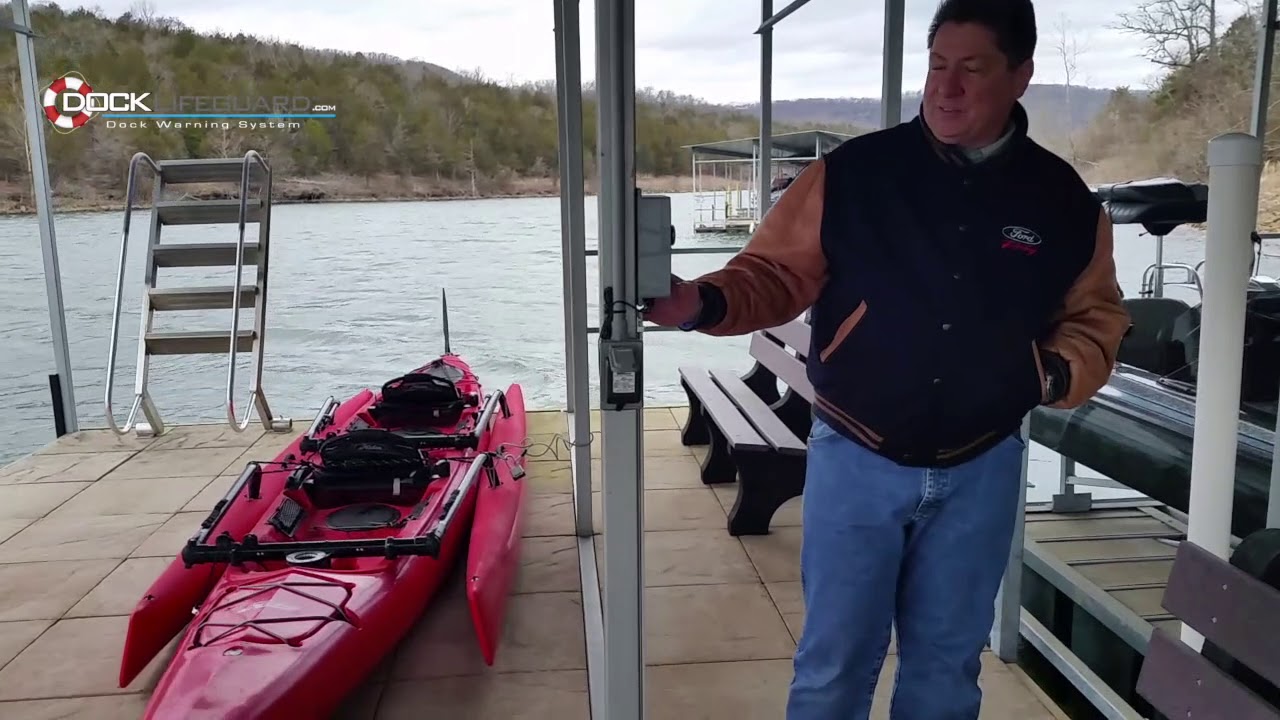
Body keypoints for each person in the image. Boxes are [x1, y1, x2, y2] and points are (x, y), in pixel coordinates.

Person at [644, 0, 1130, 718]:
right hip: (856, 453)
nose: (947, 87)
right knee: (834, 667)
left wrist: (1049, 375)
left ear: (1020, 75)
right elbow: (774, 276)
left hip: (982, 466)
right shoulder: (852, 175)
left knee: (945, 673)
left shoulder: (1063, 201)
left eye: (972, 68)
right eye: (937, 65)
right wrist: (702, 304)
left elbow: (1096, 317)